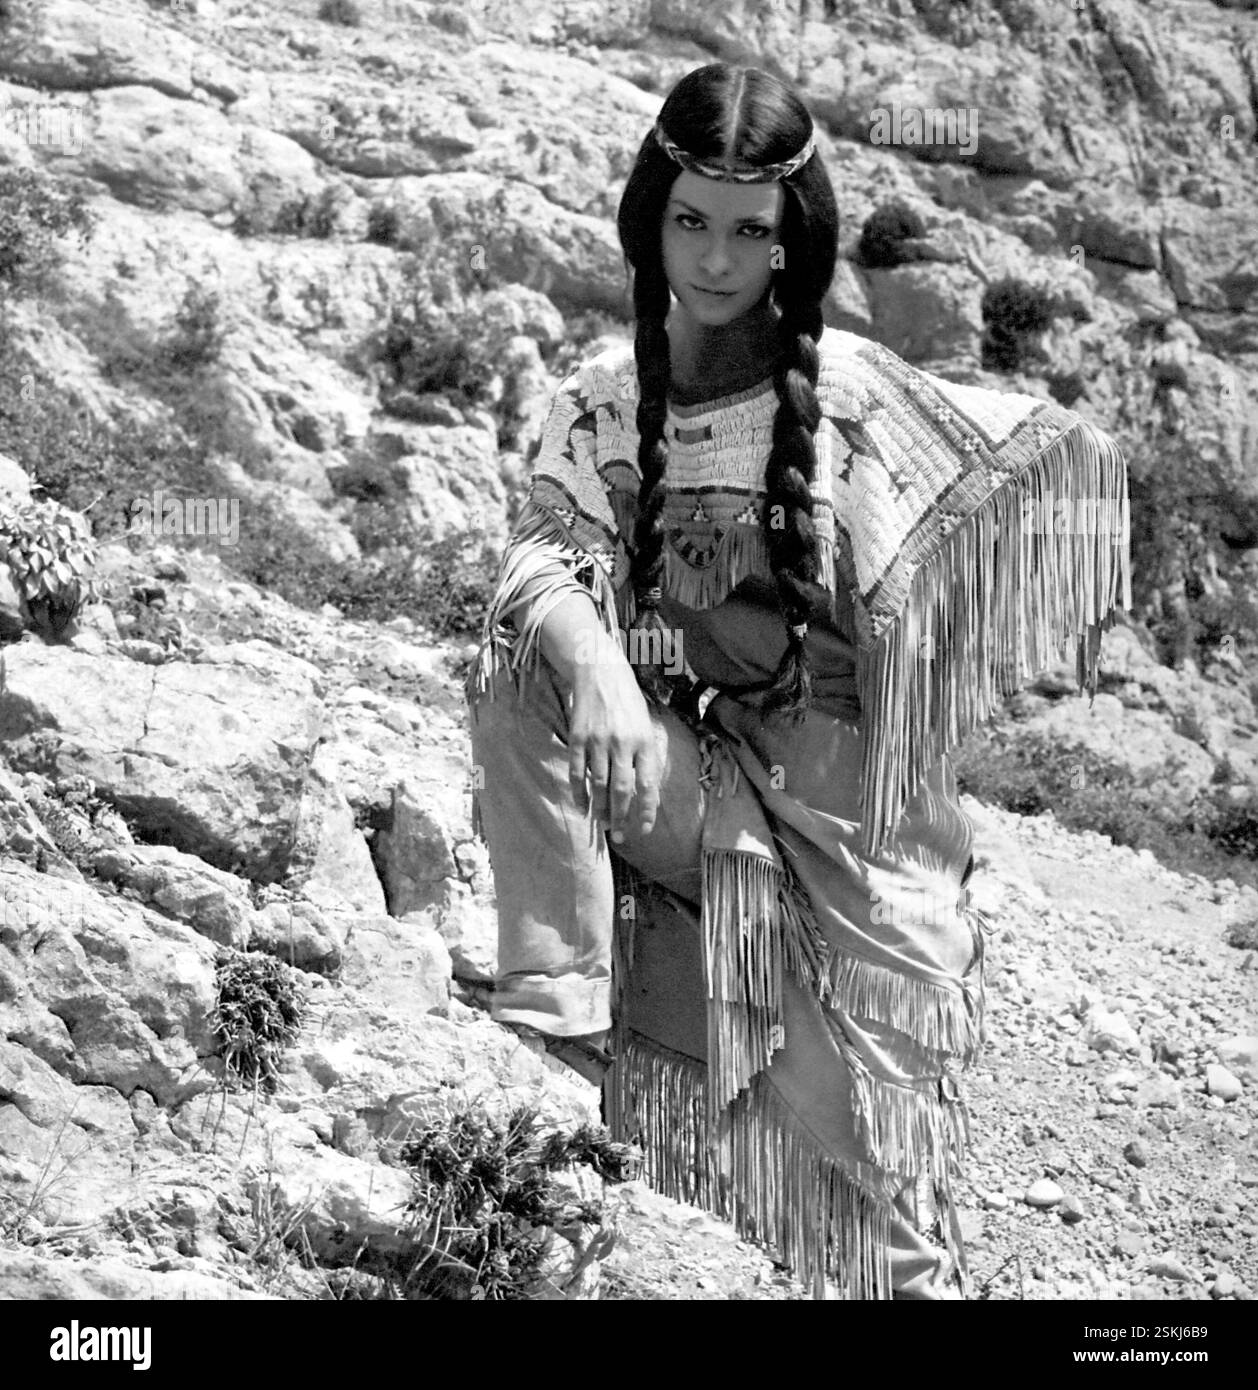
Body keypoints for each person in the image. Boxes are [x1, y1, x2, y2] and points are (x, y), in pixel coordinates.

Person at [464, 63, 1131, 1299]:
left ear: (791, 238)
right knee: (527, 653)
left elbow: (1025, 471)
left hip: (853, 834)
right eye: (690, 221)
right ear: (649, 220)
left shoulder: (854, 399)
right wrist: (605, 667)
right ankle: (553, 1025)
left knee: (880, 1226)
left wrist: (910, 643)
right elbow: (536, 564)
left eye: (750, 230)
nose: (715, 259)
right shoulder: (600, 407)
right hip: (697, 792)